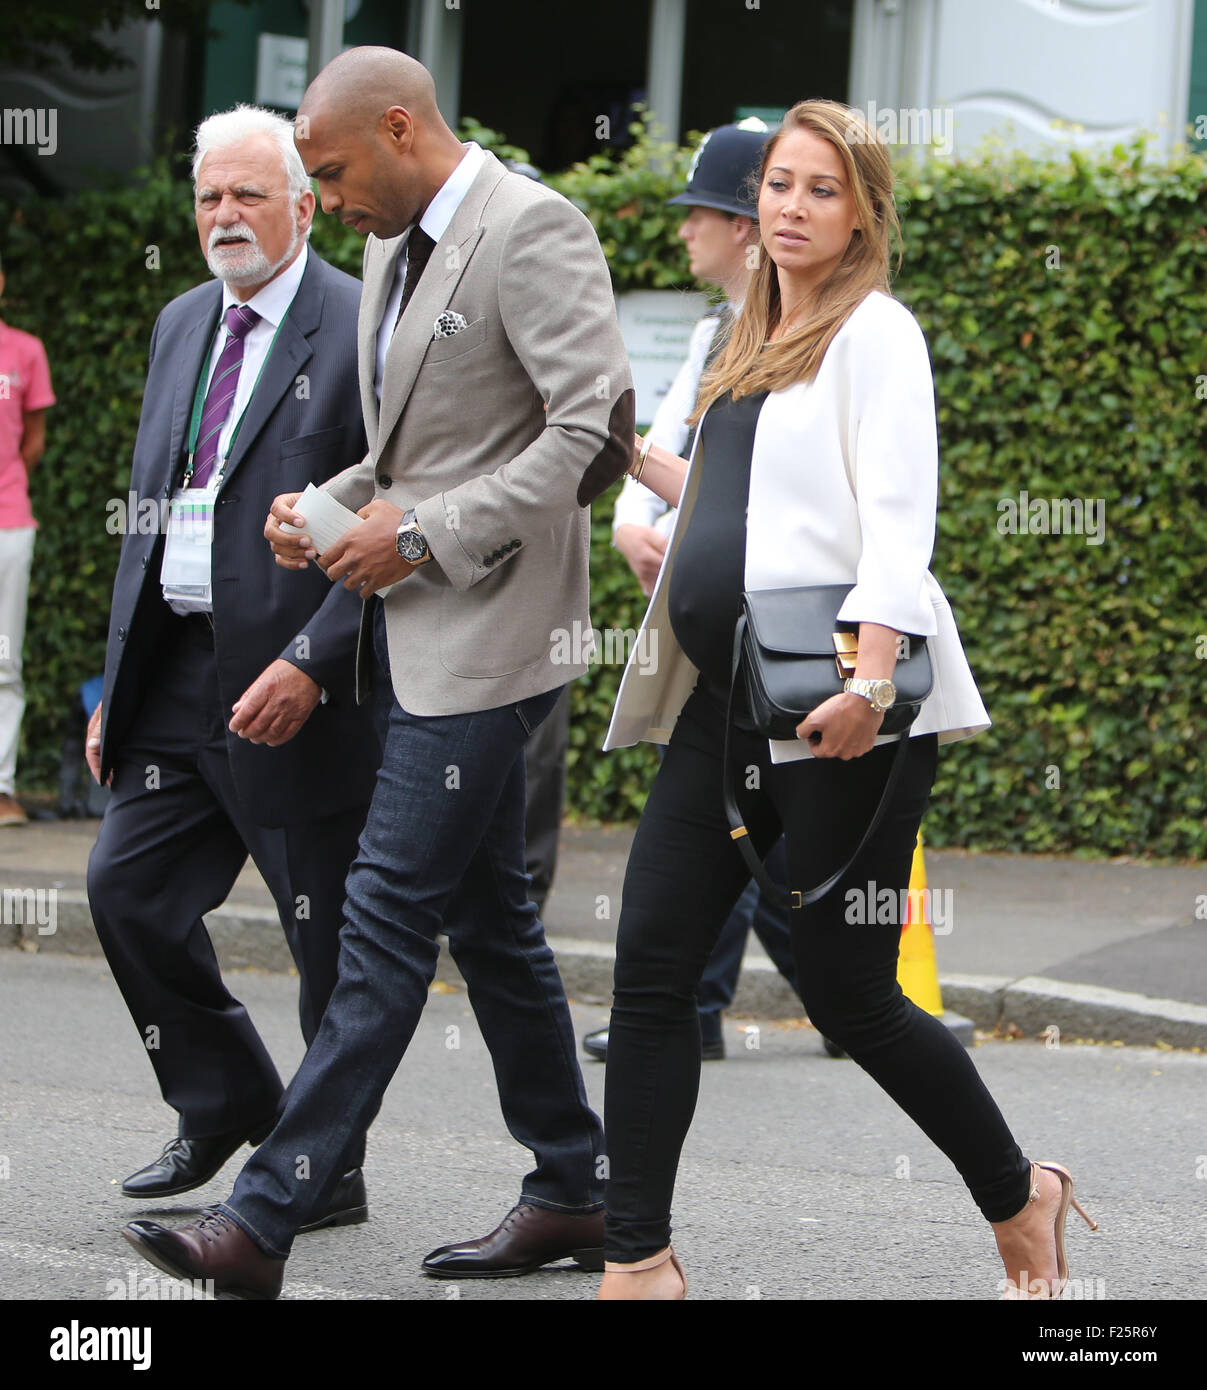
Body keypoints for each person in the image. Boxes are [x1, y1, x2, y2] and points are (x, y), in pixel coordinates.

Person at [121, 46, 635, 1299]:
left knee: (382, 924)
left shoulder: (535, 227)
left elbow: (592, 437)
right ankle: (573, 1188)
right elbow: (415, 444)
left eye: (334, 172)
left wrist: (404, 536)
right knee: (494, 928)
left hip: (496, 641)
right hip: (415, 634)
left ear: (403, 129)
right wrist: (327, 501)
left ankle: (261, 1218)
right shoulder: (391, 252)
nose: (325, 199)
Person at [596, 100, 1096, 1300]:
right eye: (776, 183)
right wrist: (624, 485)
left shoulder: (878, 333)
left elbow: (895, 523)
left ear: (861, 212)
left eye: (821, 189)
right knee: (651, 968)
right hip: (725, 704)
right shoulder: (741, 329)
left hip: (841, 708)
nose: (789, 206)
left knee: (848, 990)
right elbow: (726, 489)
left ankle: (1017, 1190)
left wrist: (871, 679)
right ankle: (637, 1261)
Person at [86, 106, 378, 1230]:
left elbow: (393, 524)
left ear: (303, 206)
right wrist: (119, 679)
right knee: (127, 893)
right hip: (174, 673)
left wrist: (316, 660)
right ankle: (229, 1101)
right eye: (210, 197)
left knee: (323, 935)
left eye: (250, 195)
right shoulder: (179, 324)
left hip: (295, 683)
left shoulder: (357, 325)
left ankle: (327, 1169)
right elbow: (151, 517)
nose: (225, 217)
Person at [584, 119, 807, 1064]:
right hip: (717, 619)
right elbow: (684, 450)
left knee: (742, 809)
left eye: (700, 214)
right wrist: (636, 517)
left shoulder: (800, 334)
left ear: (741, 224)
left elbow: (775, 496)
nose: (684, 232)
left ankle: (718, 1005)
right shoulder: (726, 326)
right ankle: (733, 1003)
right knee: (741, 814)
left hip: (767, 628)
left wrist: (663, 520)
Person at [0, 251, 55, 826]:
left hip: (9, 520)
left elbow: (32, 441)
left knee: (4, 658)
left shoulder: (25, 351)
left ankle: (0, 787)